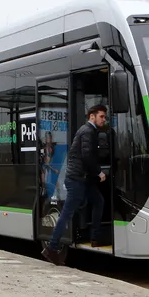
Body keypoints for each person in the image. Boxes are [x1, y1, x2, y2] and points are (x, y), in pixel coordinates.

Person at [42, 104, 107, 265]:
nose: (104, 120)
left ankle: (95, 237)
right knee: (66, 214)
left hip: (83, 179)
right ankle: (51, 247)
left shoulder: (90, 131)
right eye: (101, 116)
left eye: (104, 117)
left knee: (98, 201)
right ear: (92, 116)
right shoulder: (87, 131)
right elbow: (87, 156)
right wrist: (99, 172)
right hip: (76, 179)